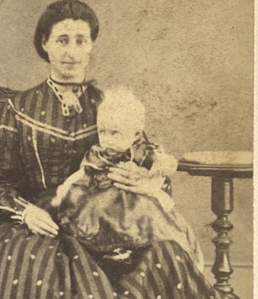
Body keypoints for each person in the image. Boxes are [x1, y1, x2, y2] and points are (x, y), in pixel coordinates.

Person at [0, 0, 252, 299]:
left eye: (81, 41)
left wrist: (145, 183)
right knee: (33, 270)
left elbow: (150, 169)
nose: (72, 52)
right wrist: (25, 214)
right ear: (44, 45)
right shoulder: (17, 109)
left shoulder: (112, 104)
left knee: (165, 260)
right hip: (43, 217)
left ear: (92, 46)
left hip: (111, 218)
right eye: (62, 40)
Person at [52, 86, 205, 272]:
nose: (107, 139)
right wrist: (65, 188)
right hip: (101, 199)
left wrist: (155, 171)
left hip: (136, 200)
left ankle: (132, 251)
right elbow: (83, 172)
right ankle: (110, 252)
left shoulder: (142, 151)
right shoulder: (98, 154)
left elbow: (167, 164)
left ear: (136, 134)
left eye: (114, 133)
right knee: (91, 211)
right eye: (102, 132)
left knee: (150, 214)